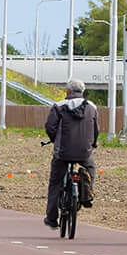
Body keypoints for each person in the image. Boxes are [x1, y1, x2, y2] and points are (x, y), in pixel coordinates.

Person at [42, 79, 99, 227]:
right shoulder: (91, 107)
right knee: (90, 168)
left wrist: (55, 139)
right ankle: (87, 194)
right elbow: (96, 129)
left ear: (68, 92)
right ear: (82, 91)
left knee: (55, 181)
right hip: (84, 152)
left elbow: (50, 127)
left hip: (63, 152)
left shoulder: (59, 106)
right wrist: (92, 143)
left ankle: (52, 218)